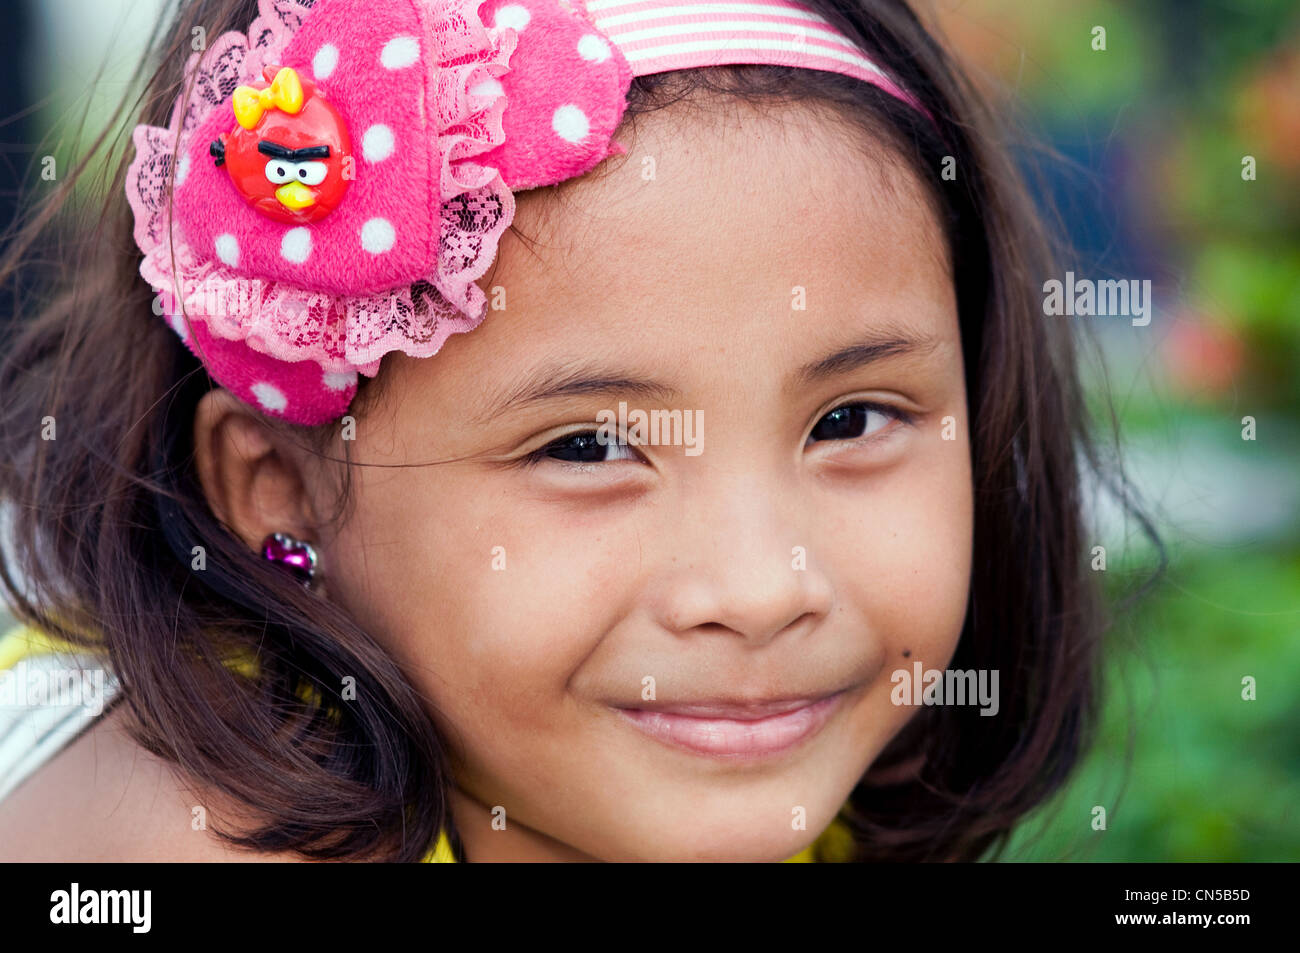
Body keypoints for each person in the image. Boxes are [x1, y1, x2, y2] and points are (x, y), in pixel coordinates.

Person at [0, 0, 1122, 861]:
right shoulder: (185, 833)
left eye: (850, 420)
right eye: (587, 446)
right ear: (277, 488)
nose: (762, 585)